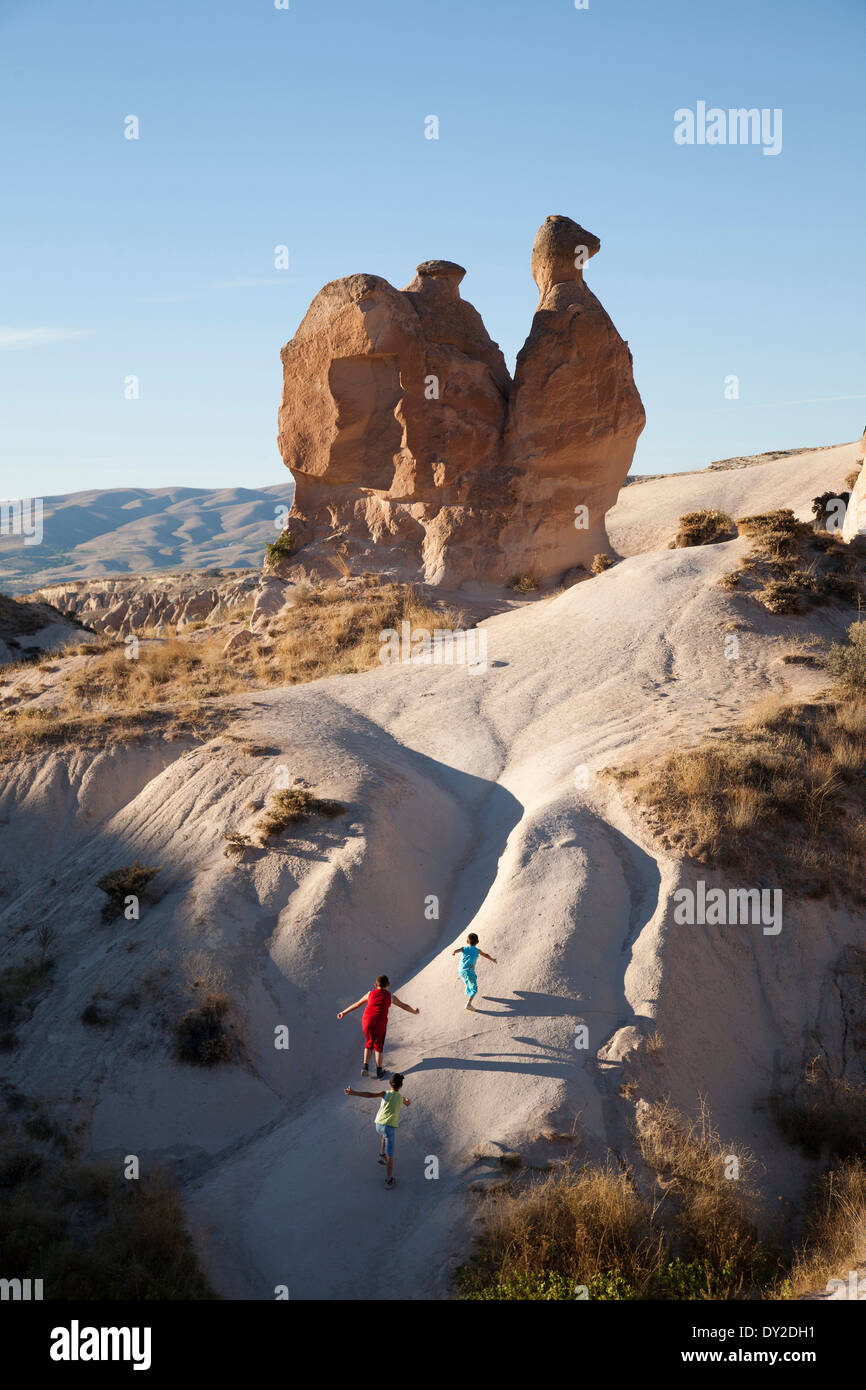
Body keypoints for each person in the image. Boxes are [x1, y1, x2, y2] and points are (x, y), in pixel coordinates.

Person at [337, 975, 419, 1079]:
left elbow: (357, 1004)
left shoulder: (369, 994)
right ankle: (379, 1071)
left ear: (375, 985)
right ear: (388, 984)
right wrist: (414, 1011)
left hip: (366, 1020)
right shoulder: (390, 997)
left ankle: (365, 1066)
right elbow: (403, 1005)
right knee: (378, 1046)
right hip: (380, 1021)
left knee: (369, 1042)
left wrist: (343, 1012)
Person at [344, 1072, 409, 1188]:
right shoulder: (400, 1098)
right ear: (401, 1086)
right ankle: (389, 1180)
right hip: (389, 1128)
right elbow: (406, 1102)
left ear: (389, 1084)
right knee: (391, 1157)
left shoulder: (385, 1093)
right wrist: (407, 1102)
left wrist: (353, 1092)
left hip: (378, 1125)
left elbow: (369, 1095)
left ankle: (381, 1154)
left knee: (383, 1135)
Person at [450, 932, 496, 1010]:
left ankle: (469, 989)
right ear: (477, 942)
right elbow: (485, 955)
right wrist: (493, 959)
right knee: (475, 989)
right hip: (469, 972)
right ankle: (469, 1004)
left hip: (461, 971)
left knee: (471, 979)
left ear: (467, 942)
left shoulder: (464, 948)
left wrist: (454, 952)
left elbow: (457, 950)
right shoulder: (477, 950)